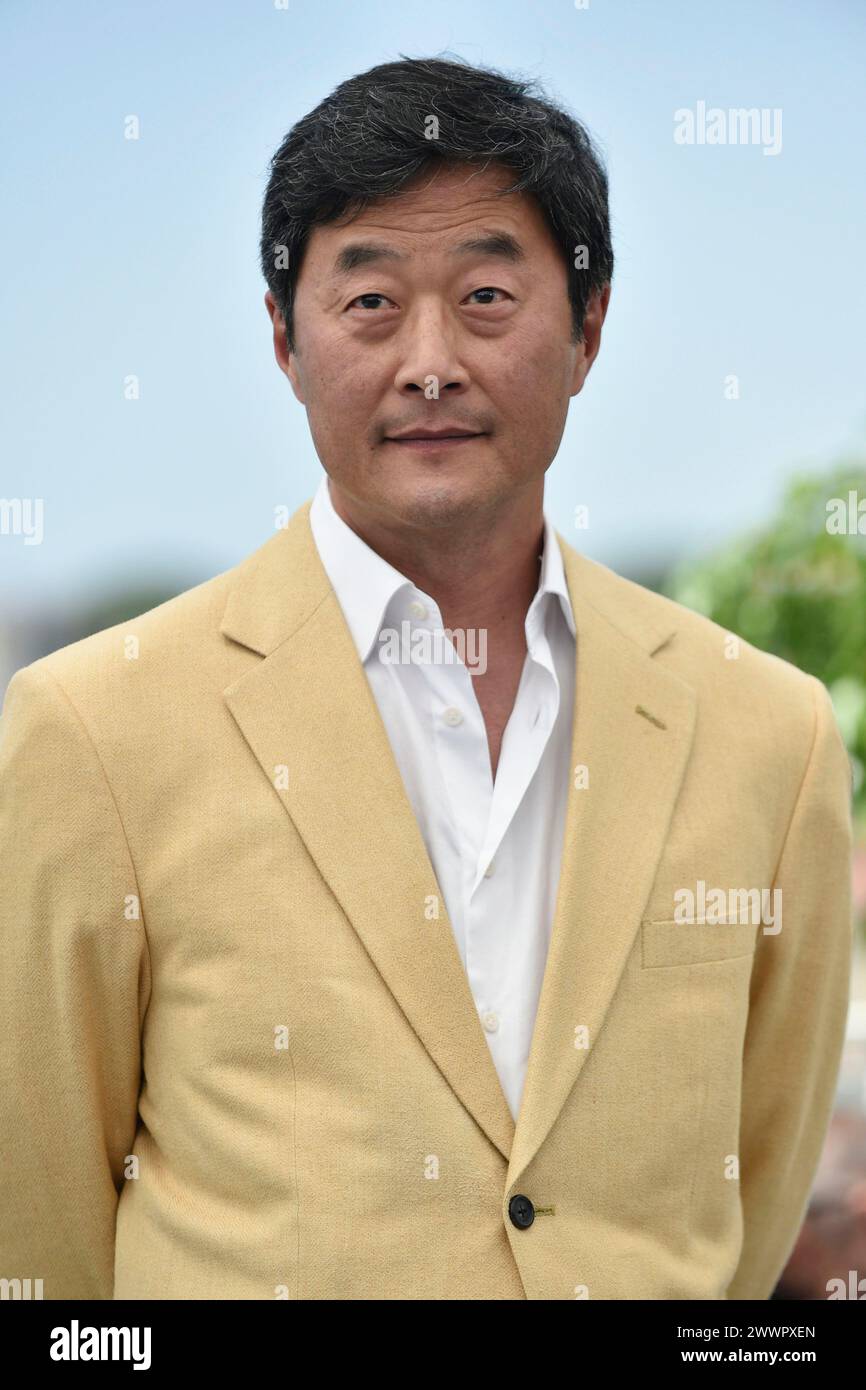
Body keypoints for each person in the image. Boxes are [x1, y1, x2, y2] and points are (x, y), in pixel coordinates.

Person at [0, 55, 853, 1301]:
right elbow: (40, 1238)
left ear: (589, 329)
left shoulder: (766, 734)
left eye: (489, 294)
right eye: (370, 304)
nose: (432, 360)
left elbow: (754, 1189)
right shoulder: (91, 726)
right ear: (284, 342)